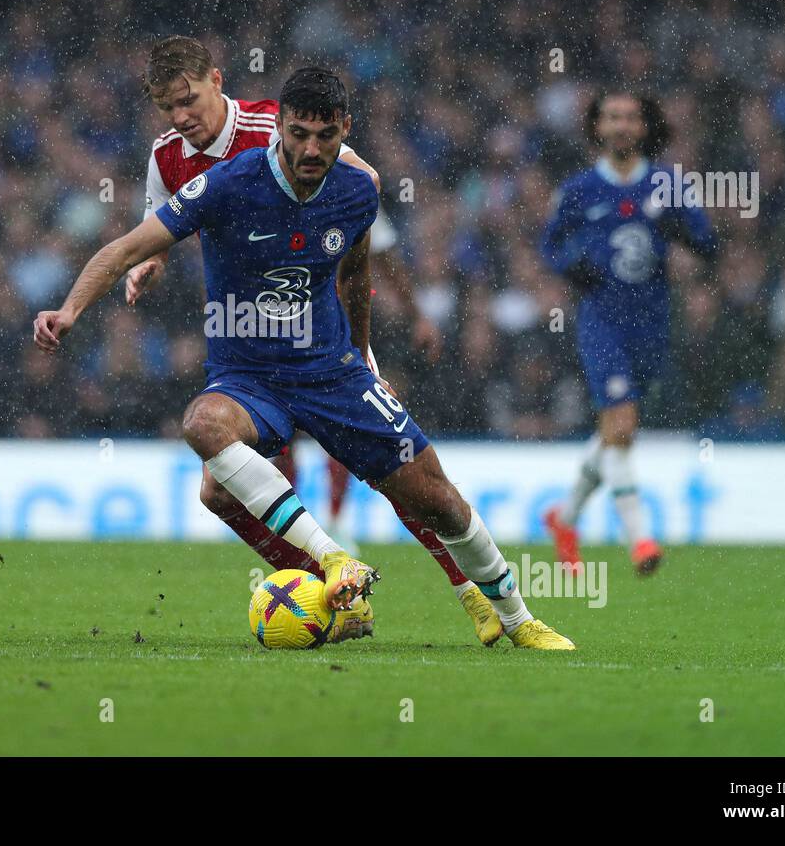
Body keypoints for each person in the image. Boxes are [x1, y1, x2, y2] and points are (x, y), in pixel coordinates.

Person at [37, 66, 574, 650]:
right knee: (203, 426)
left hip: (329, 370)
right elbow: (125, 248)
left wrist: (365, 359)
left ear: (346, 128)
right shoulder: (226, 184)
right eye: (299, 135)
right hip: (248, 378)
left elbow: (357, 274)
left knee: (436, 497)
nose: (311, 149)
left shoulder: (358, 189)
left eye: (325, 136)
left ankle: (518, 620)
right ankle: (335, 560)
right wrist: (69, 310)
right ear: (278, 130)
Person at [123, 37, 494, 642]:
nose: (181, 117)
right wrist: (148, 265)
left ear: (217, 80)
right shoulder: (167, 157)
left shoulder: (281, 127)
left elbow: (368, 213)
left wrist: (411, 313)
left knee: (394, 473)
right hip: (249, 343)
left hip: (327, 340)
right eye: (168, 108)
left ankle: (470, 590)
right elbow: (156, 225)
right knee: (219, 490)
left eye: (188, 100)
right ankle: (332, 586)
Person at [541, 90, 716, 576]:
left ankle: (564, 516)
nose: (621, 126)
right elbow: (550, 245)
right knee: (621, 426)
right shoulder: (579, 189)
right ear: (597, 127)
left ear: (645, 126)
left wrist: (681, 232)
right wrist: (576, 267)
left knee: (616, 429)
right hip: (602, 320)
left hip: (653, 322)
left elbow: (706, 243)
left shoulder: (668, 184)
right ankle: (640, 540)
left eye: (630, 118)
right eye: (612, 117)